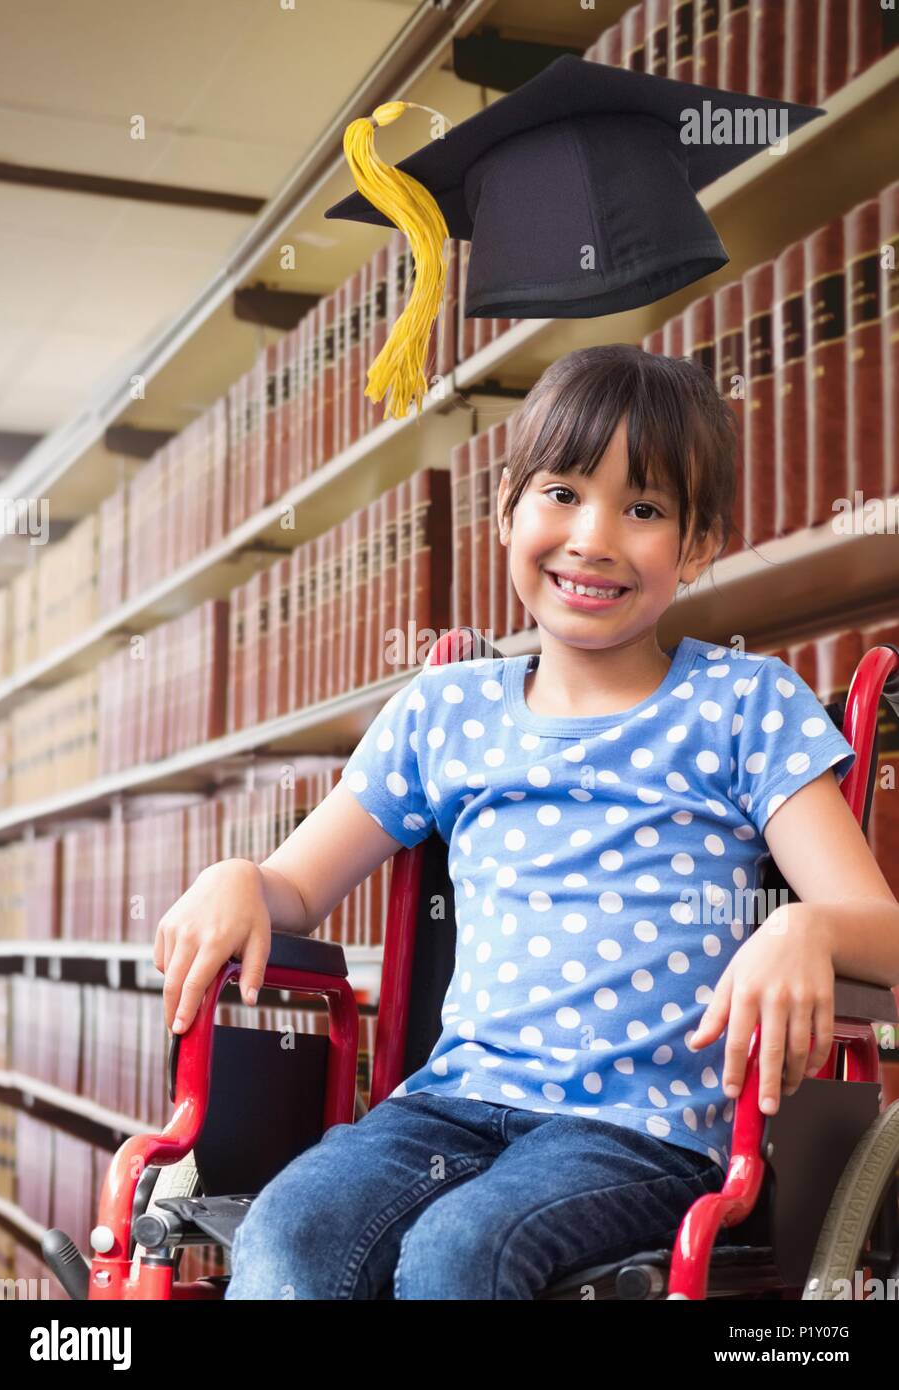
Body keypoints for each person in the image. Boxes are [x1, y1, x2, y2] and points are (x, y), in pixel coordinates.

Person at [155, 344, 899, 1300]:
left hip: (645, 1128)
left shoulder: (742, 704)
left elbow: (880, 931)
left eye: (643, 509)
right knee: (290, 1231)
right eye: (561, 492)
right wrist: (234, 877)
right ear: (505, 506)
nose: (592, 537)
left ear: (698, 543)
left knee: (459, 1253)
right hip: (450, 1108)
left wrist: (805, 925)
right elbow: (295, 888)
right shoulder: (445, 710)